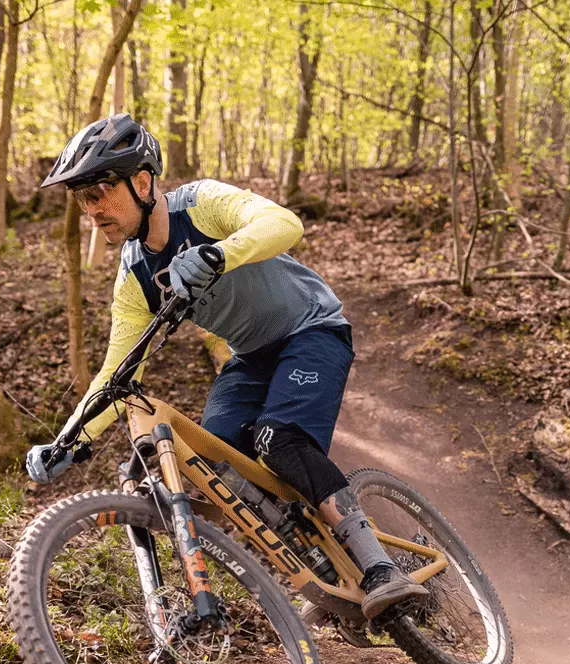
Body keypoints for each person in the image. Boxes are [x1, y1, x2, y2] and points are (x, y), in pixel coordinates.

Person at [25, 114, 427, 621]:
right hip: (250, 356)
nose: (93, 210)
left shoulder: (202, 203)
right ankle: (325, 567)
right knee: (210, 458)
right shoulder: (135, 279)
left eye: (101, 191)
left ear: (143, 182)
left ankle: (379, 569)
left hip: (312, 330)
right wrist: (70, 439)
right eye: (83, 199)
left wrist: (219, 254)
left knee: (278, 440)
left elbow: (285, 224)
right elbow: (117, 373)